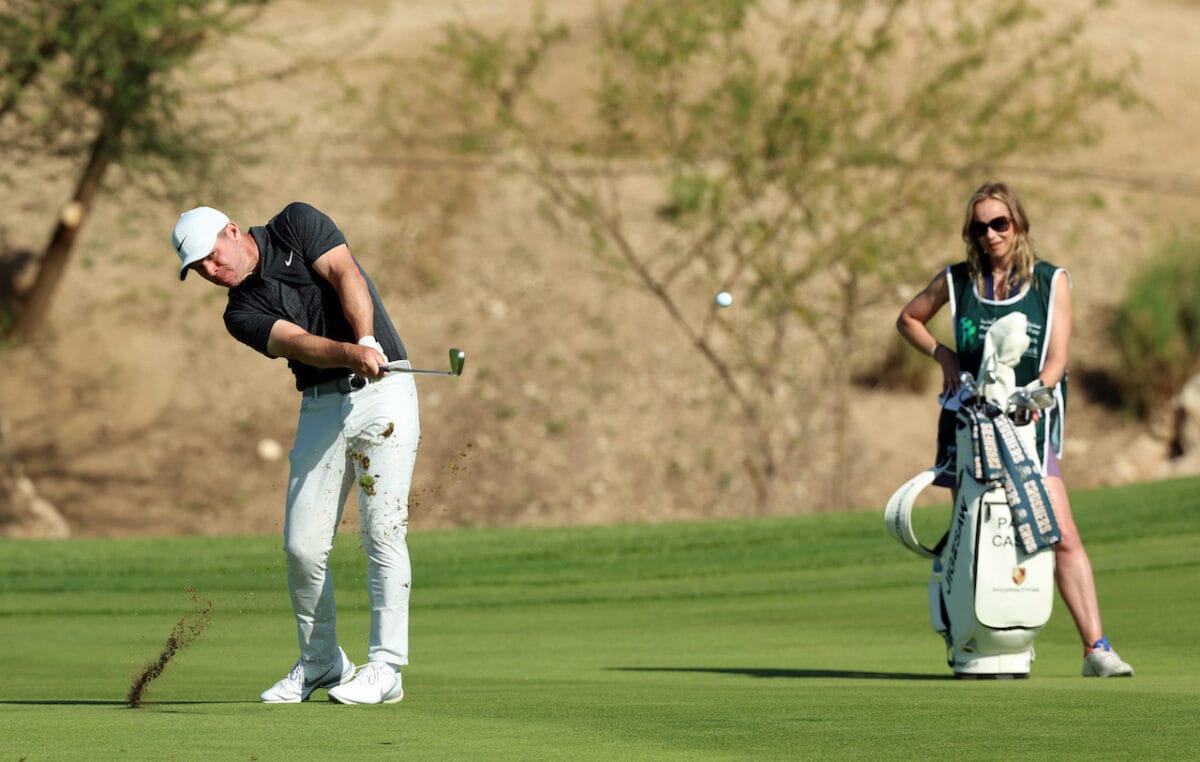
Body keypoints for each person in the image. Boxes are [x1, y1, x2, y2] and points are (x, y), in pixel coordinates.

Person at [171, 202, 419, 703]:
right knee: (302, 547)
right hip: (321, 405)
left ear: (233, 232)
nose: (210, 272)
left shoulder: (296, 225)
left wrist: (366, 340)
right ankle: (322, 663)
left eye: (210, 257)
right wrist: (350, 353)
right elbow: (300, 343)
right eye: (198, 269)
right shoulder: (239, 313)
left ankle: (386, 667)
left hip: (385, 394)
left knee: (383, 530)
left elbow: (346, 273)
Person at [896, 181, 1134, 678]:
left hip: (1026, 432)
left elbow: (1057, 359)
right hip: (970, 429)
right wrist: (943, 356)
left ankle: (1096, 649)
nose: (990, 234)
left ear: (1018, 224)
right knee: (969, 534)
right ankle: (968, 641)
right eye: (979, 226)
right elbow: (909, 319)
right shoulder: (957, 281)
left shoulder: (1051, 282)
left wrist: (1034, 394)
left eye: (999, 223)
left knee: (1061, 533)